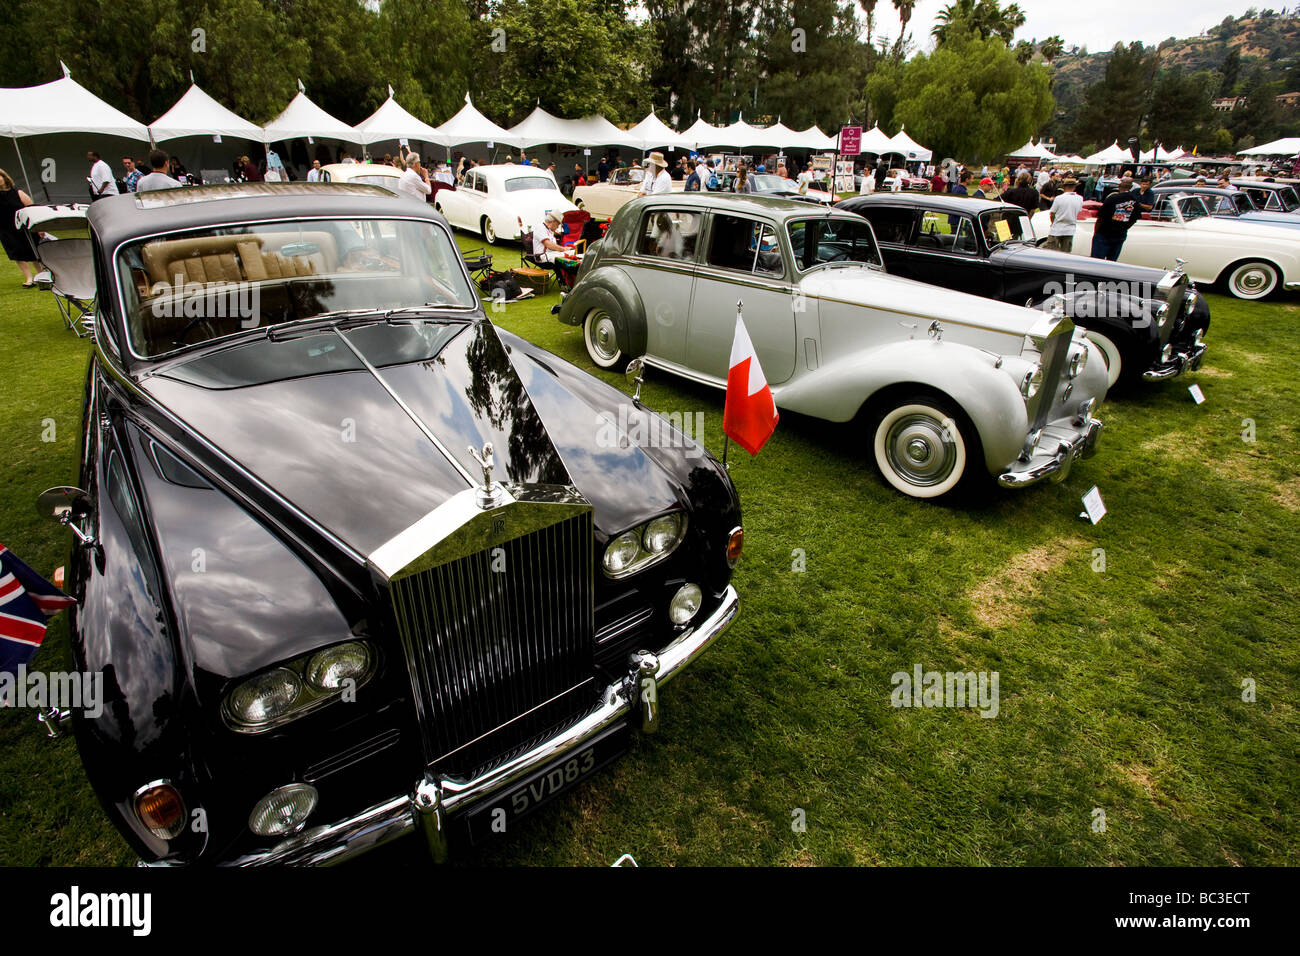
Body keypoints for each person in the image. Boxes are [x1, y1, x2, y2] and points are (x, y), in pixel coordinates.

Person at [0, 168, 38, 286]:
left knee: (33, 252)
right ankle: (29, 278)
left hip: (24, 228)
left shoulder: (18, 193)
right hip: (5, 229)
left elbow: (32, 209)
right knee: (16, 253)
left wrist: (39, 227)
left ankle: (40, 275)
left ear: (4, 177)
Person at [1091, 176, 1139, 261]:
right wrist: (1125, 227)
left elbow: (1101, 218)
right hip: (1120, 234)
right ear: (1131, 187)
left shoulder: (1112, 199)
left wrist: (1096, 233)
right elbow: (1134, 219)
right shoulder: (1135, 201)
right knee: (1112, 262)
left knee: (1097, 261)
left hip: (1104, 234)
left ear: (1119, 185)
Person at [1044, 179, 1082, 253]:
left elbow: (1052, 213)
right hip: (1070, 229)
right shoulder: (1080, 198)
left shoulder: (1059, 198)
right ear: (1074, 187)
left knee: (1051, 251)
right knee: (1066, 253)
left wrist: (1052, 223)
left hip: (1057, 228)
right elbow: (1078, 211)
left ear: (1064, 187)